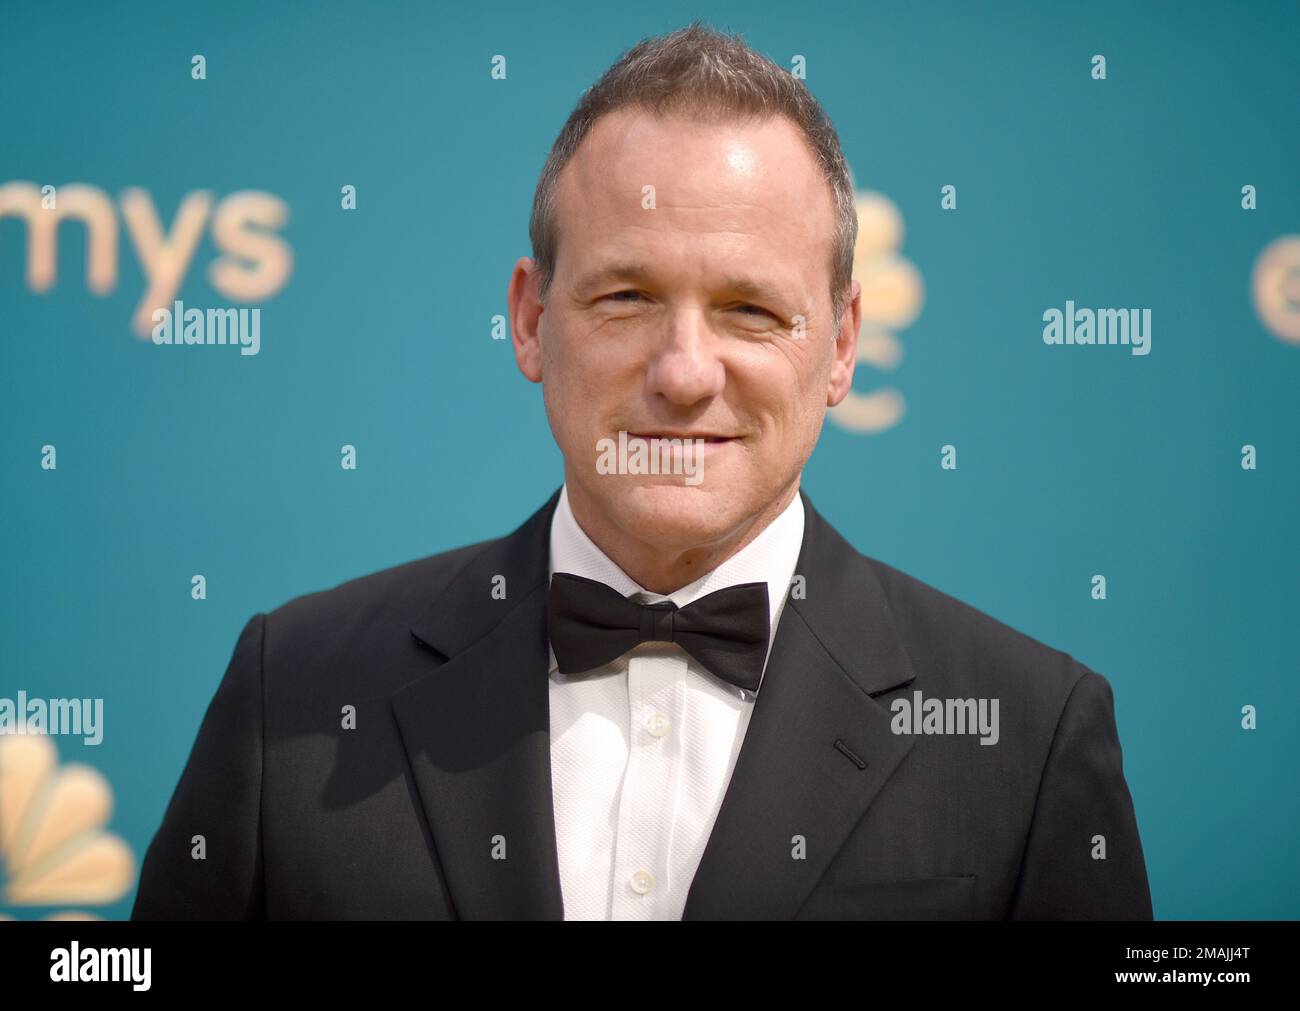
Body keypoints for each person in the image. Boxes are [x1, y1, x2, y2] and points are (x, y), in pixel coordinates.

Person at [132, 21, 1152, 921]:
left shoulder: (1028, 734)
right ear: (532, 320)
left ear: (840, 345)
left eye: (750, 309)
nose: (683, 373)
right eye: (625, 296)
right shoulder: (297, 690)